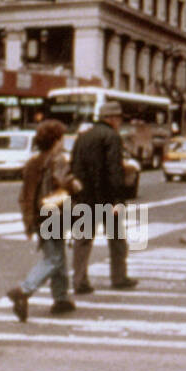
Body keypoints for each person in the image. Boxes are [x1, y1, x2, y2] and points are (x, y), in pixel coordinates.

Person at [6, 119, 80, 322]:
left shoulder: (33, 163)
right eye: (62, 137)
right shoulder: (58, 160)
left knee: (57, 255)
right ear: (56, 140)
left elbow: (24, 196)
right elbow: (64, 181)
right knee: (54, 259)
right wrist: (75, 185)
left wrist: (28, 221)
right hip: (54, 214)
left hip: (39, 216)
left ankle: (61, 298)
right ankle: (23, 291)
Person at [70, 100, 137, 293]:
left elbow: (75, 166)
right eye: (119, 119)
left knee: (82, 240)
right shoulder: (112, 137)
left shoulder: (82, 137)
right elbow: (114, 170)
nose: (120, 122)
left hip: (84, 197)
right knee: (116, 239)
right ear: (112, 118)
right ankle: (119, 277)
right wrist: (118, 200)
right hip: (106, 199)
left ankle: (79, 281)